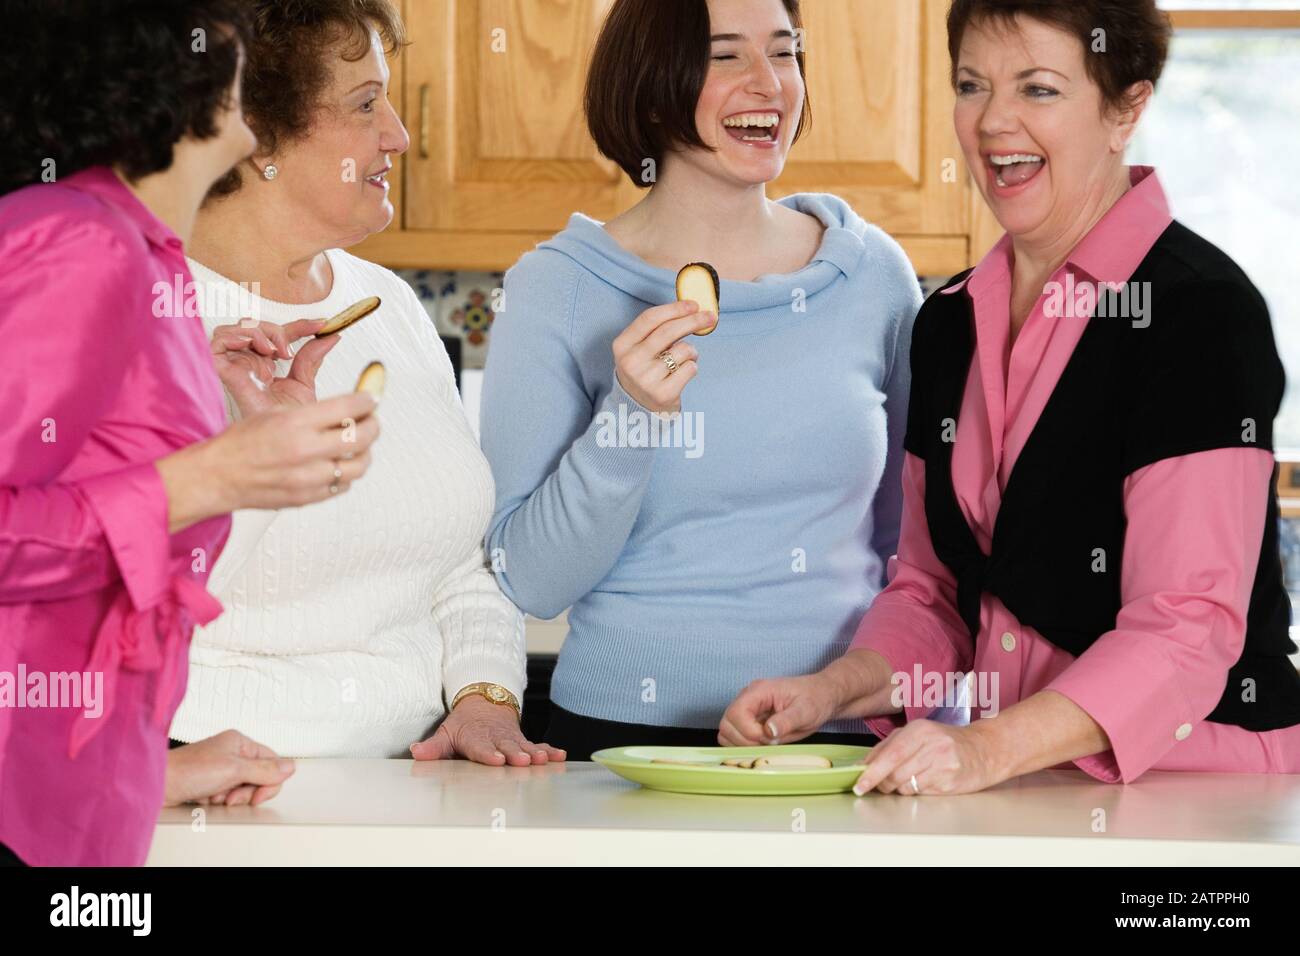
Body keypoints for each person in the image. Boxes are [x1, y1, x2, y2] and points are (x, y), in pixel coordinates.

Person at [722, 0, 1300, 794]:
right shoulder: (949, 320)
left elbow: (1185, 627)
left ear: (1126, 108)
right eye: (972, 85)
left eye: (1039, 89)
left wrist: (987, 749)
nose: (994, 122)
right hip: (1029, 785)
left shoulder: (1198, 312)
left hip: (1201, 786)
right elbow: (934, 594)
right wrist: (833, 690)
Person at [480, 0, 922, 758]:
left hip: (843, 736)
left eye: (784, 54)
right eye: (726, 56)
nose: (769, 83)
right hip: (623, 741)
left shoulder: (871, 273)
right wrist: (632, 417)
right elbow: (529, 579)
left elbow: (912, 547)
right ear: (652, 88)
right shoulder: (559, 288)